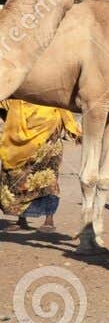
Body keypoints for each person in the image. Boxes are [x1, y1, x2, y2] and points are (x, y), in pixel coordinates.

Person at [0, 98, 81, 230]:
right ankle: (22, 220)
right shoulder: (18, 100)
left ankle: (49, 220)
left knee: (48, 181)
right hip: (22, 147)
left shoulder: (53, 101)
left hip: (48, 146)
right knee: (20, 181)